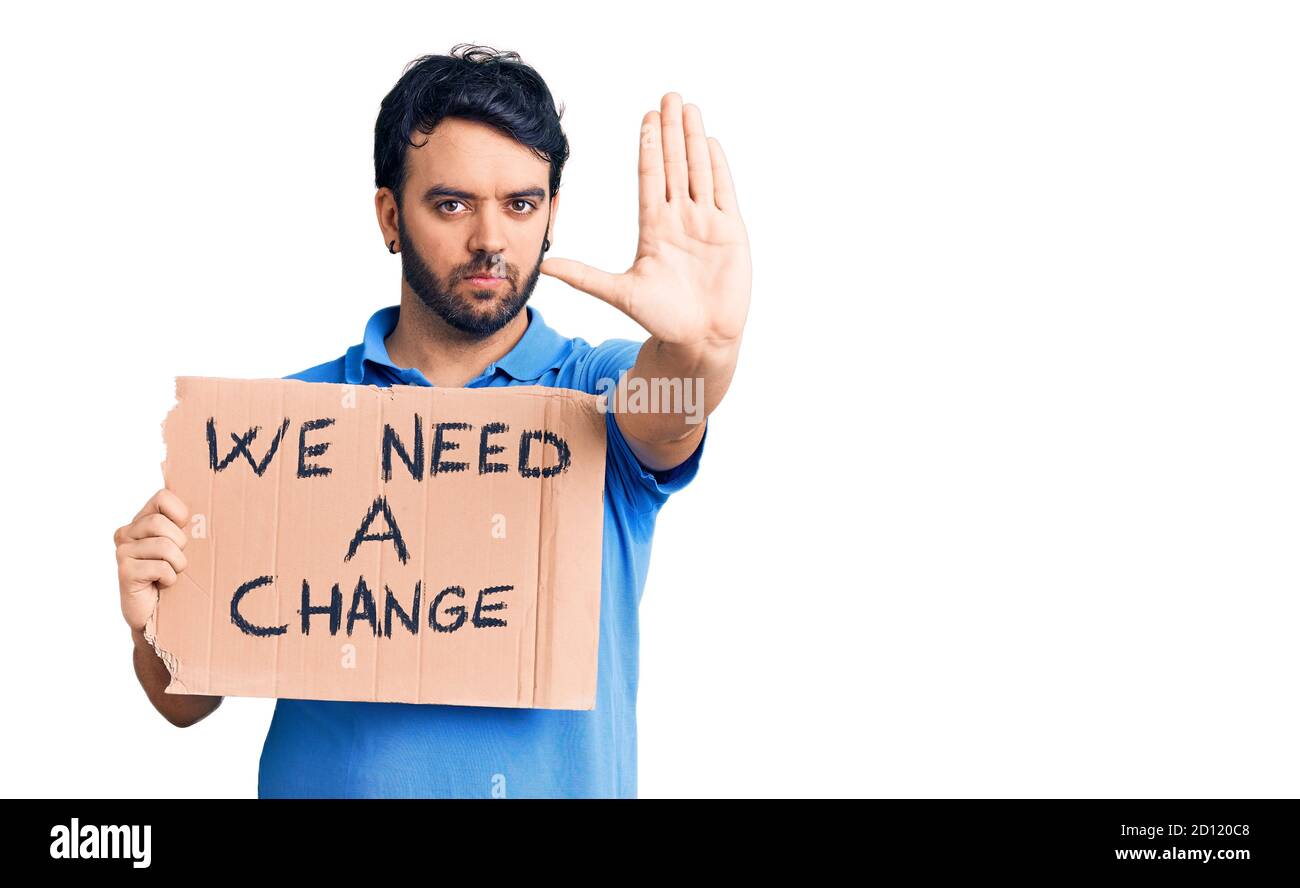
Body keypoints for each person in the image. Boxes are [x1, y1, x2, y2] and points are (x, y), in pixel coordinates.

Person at [113, 44, 751, 798]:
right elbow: (184, 700)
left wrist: (701, 351)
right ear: (391, 216)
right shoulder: (281, 432)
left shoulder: (601, 396)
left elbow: (673, 410)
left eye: (522, 204)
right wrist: (153, 621)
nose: (491, 240)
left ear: (550, 214)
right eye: (452, 204)